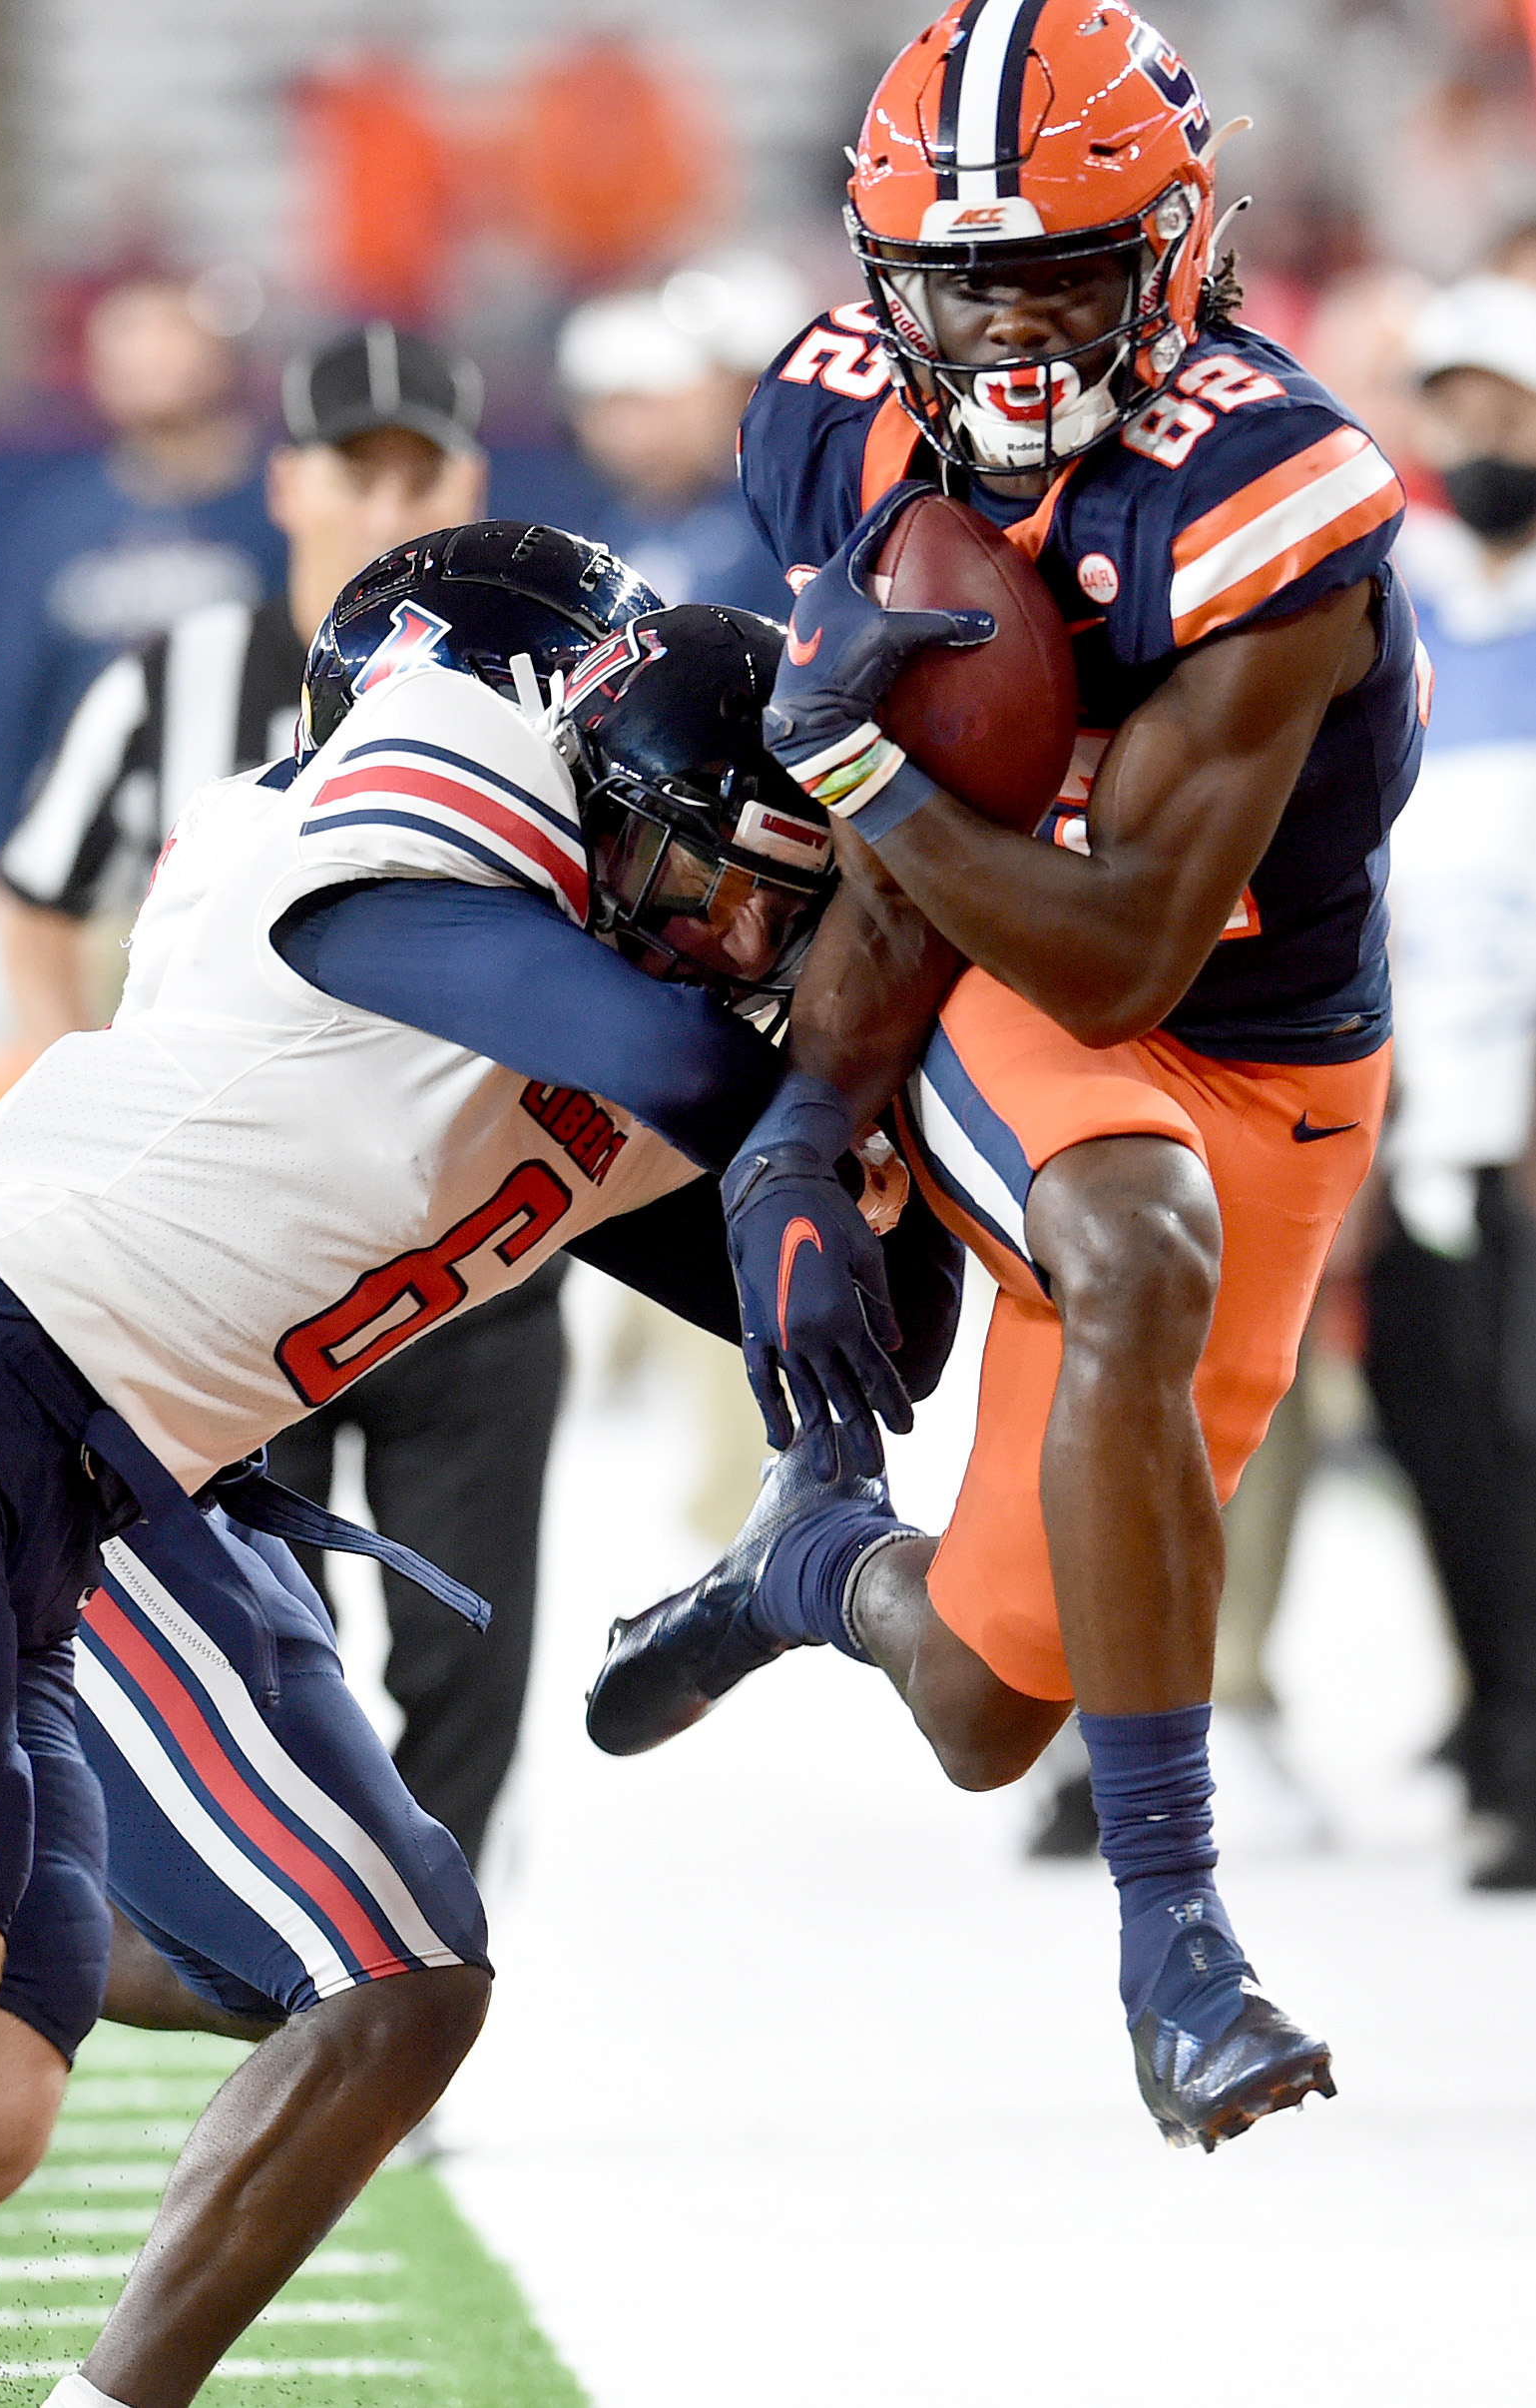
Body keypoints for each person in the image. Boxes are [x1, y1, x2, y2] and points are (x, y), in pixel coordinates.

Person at [0, 532, 960, 2407]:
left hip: (115, 1500)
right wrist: (815, 1077)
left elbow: (898, 1320)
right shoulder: (401, 816)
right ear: (595, 783)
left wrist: (872, 1027)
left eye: (782, 918)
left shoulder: (655, 1029)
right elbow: (547, 997)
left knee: (15, 2098)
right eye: (720, 885)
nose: (734, 943)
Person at [588, 0, 1424, 2154]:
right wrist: (800, 1113)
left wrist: (858, 754)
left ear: (1184, 240)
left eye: (1066, 260)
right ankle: (1180, 1944)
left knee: (976, 1697)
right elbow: (918, 871)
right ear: (885, 280)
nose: (1018, 325)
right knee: (1124, 1247)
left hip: (1243, 1038)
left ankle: (808, 1574)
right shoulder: (836, 423)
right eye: (967, 278)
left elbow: (1125, 935)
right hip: (1015, 997)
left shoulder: (1272, 487)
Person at [0, 328, 549, 1884]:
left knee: (468, 1645)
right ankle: (291, 1928)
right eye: (354, 466)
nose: (385, 502)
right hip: (236, 1255)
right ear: (286, 478)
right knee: (232, 1630)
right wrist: (80, 1098)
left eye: (416, 471)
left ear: (468, 485)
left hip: (475, 1256)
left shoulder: (551, 692)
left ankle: (420, 1950)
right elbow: (36, 899)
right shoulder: (175, 679)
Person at [1365, 272, 1536, 1890]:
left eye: (1507, 406)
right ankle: (1495, 1724)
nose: (1479, 437)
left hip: (1523, 1102)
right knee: (1441, 1431)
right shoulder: (1396, 602)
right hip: (1412, 1094)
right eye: (1455, 406)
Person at [0, 275, 283, 869]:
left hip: (241, 833)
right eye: (125, 341)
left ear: (218, 356)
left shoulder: (280, 501)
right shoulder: (64, 520)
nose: (148, 359)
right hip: (89, 840)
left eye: (167, 335)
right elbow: (16, 692)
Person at [556, 286, 796, 618]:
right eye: (615, 410)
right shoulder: (623, 529)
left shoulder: (777, 516)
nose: (631, 433)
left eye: (650, 407)